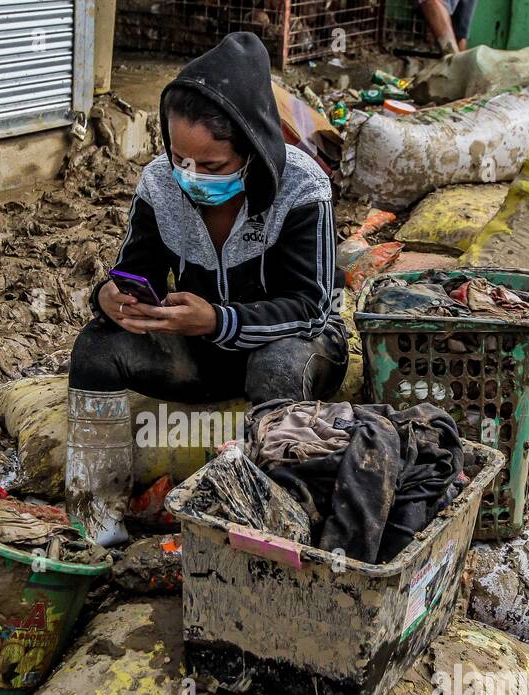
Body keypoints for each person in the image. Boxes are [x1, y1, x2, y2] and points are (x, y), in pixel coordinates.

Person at [66, 32, 348, 545]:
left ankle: (274, 525)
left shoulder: (303, 187)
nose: (191, 176)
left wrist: (220, 320)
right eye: (181, 159)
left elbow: (313, 307)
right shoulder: (159, 183)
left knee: (279, 362)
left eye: (212, 166)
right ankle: (97, 520)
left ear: (254, 147)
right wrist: (111, 298)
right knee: (95, 348)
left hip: (295, 344)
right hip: (199, 352)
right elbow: (139, 269)